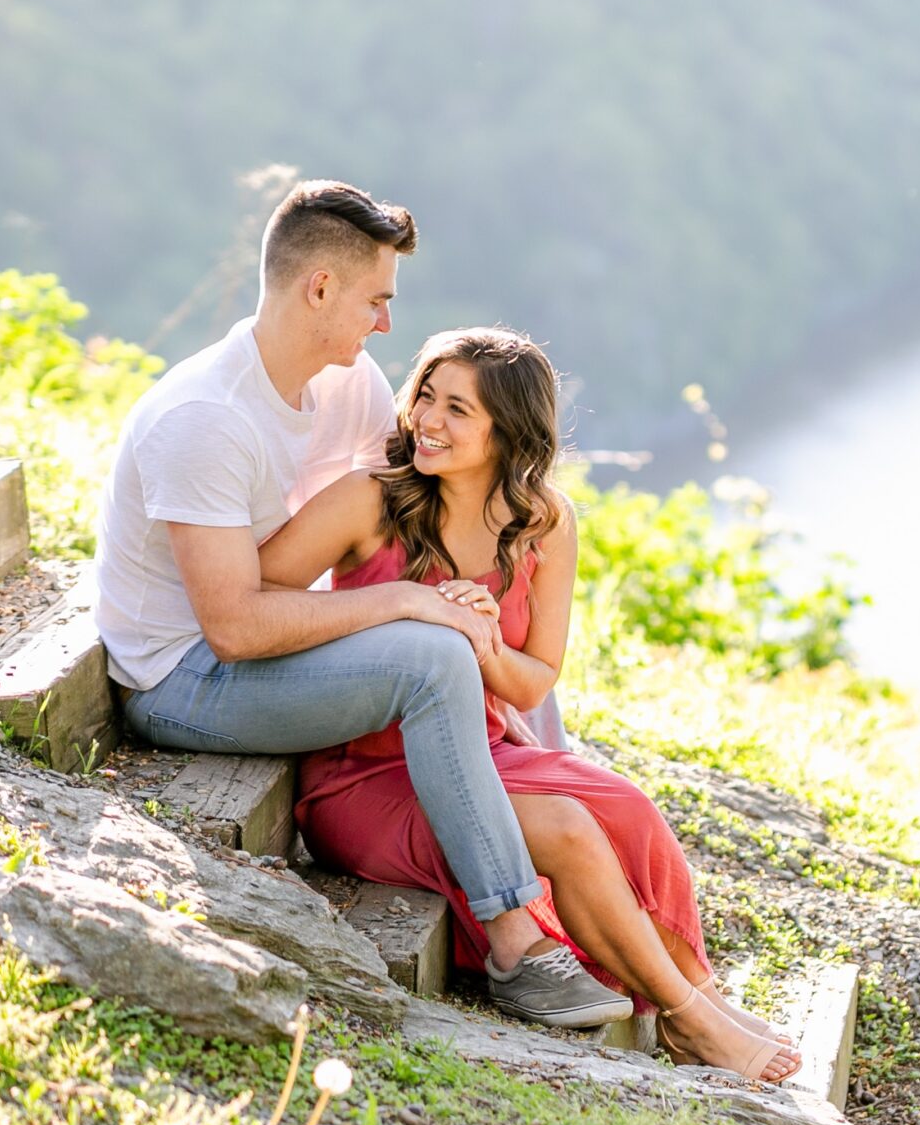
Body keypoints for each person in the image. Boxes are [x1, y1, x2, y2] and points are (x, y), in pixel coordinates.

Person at [94, 179, 629, 1030]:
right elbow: (231, 628)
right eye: (377, 299)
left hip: (279, 641)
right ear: (320, 289)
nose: (386, 322)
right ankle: (513, 942)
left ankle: (545, 805)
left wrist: (476, 603)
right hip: (184, 677)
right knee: (434, 644)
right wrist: (414, 607)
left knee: (473, 623)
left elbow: (424, 505)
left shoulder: (347, 385)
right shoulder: (203, 418)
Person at [257, 326, 802, 1082]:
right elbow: (263, 597)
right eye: (424, 396)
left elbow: (534, 680)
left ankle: (700, 994)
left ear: (507, 433)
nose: (428, 420)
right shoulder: (366, 503)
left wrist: (481, 647)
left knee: (629, 813)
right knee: (570, 830)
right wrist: (400, 610)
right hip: (365, 773)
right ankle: (689, 1017)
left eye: (457, 409)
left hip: (481, 750)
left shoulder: (544, 522)